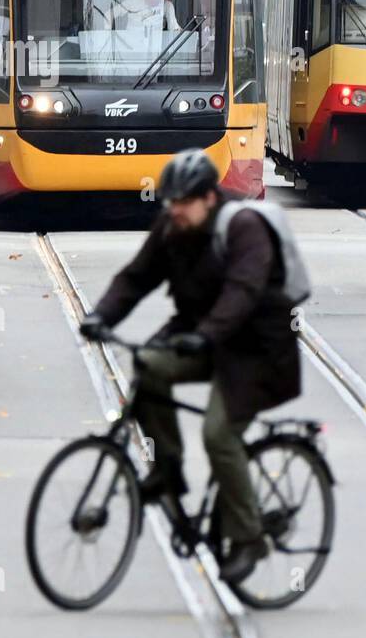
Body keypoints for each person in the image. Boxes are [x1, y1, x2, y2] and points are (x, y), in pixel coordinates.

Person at [79, 150, 308, 587]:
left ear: (208, 197)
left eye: (182, 202)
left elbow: (242, 292)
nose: (174, 210)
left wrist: (206, 333)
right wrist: (101, 316)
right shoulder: (174, 227)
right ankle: (168, 470)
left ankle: (248, 538)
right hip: (202, 337)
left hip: (257, 352)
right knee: (149, 364)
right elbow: (136, 277)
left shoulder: (245, 228)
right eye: (170, 202)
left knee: (219, 435)